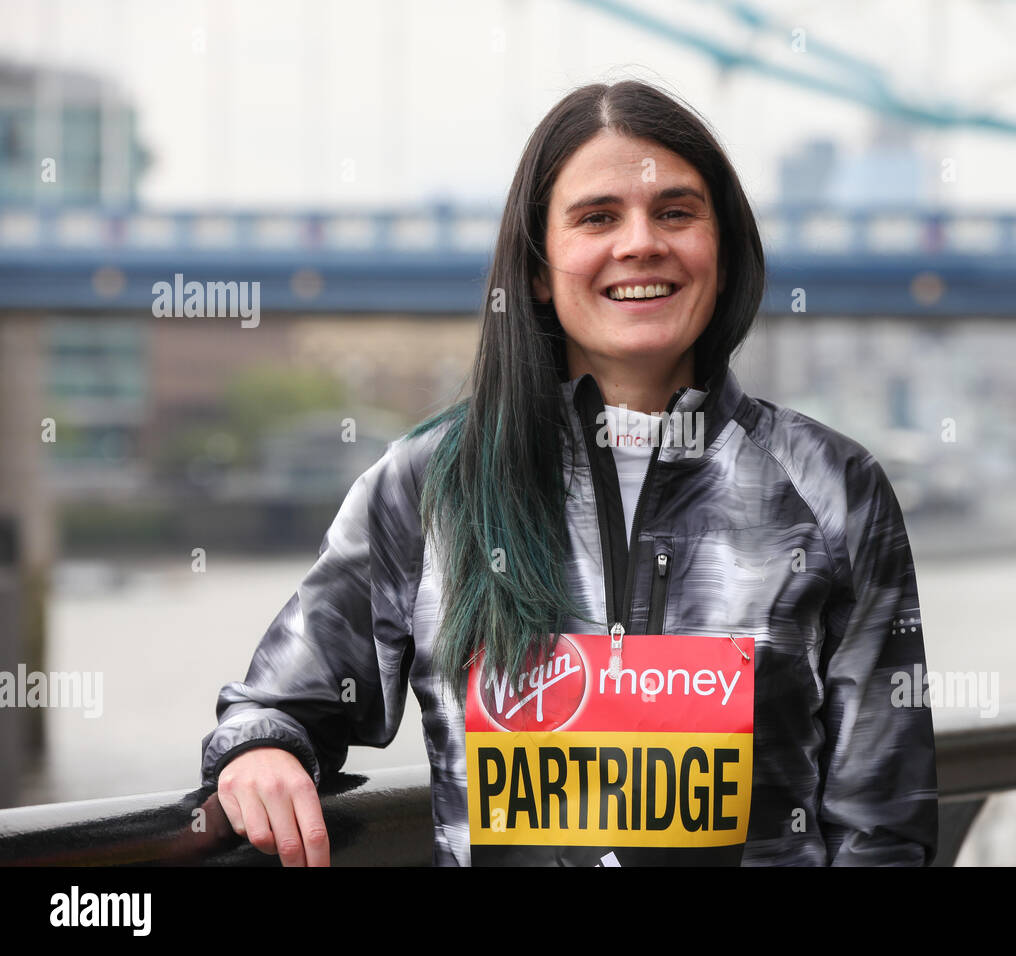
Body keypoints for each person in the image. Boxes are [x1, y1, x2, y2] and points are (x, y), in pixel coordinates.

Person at [201, 79, 937, 867]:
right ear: (541, 270)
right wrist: (263, 753)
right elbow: (278, 704)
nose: (641, 243)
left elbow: (883, 824)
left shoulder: (832, 487)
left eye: (677, 213)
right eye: (597, 217)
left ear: (721, 254)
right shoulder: (428, 484)